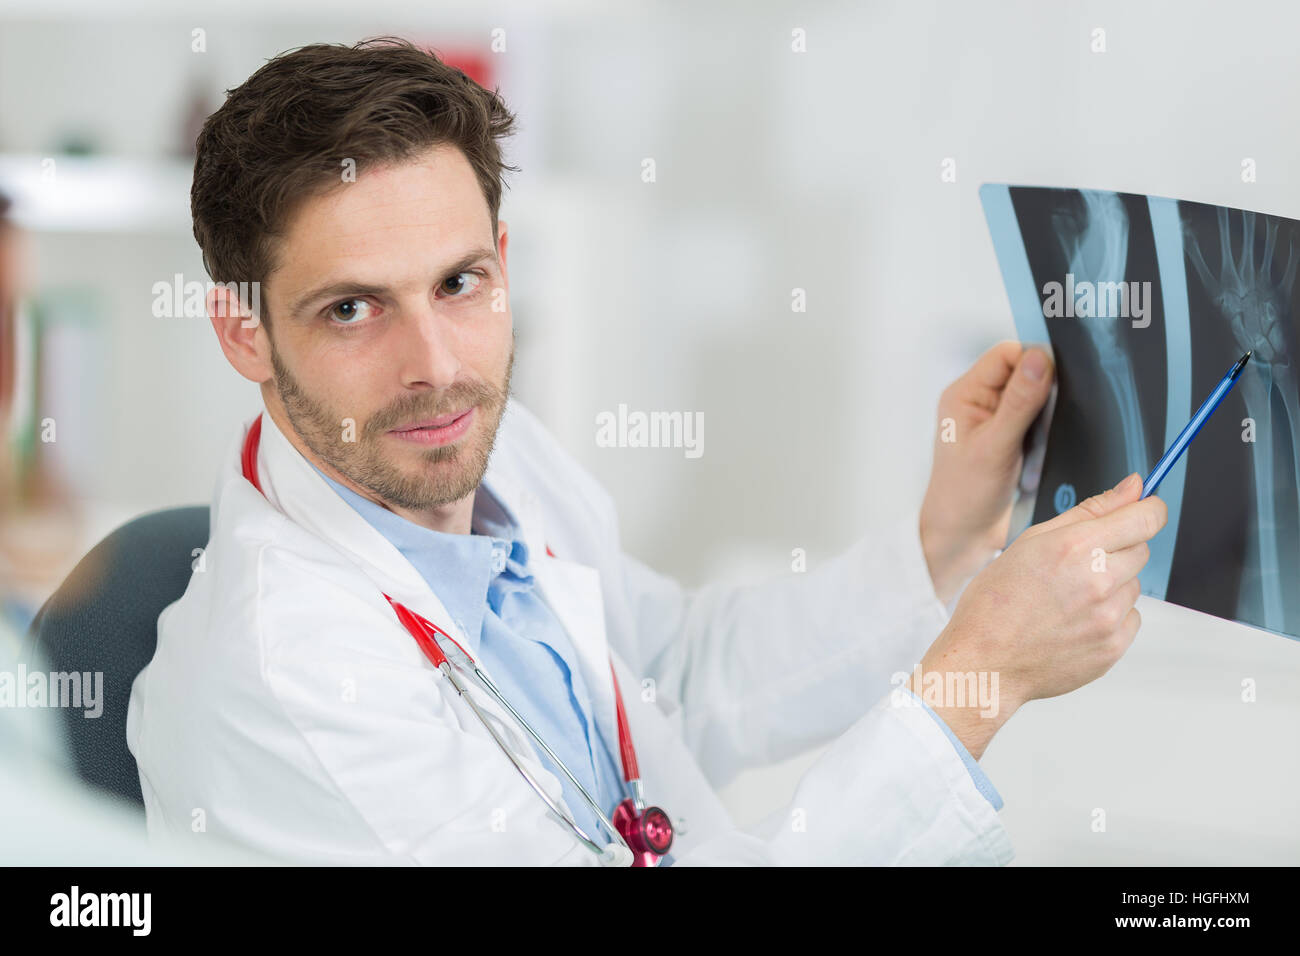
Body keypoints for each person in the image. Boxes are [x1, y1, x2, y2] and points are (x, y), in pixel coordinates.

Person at [126, 38, 1167, 866]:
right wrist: (974, 679)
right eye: (352, 308)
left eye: (459, 282)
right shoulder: (291, 684)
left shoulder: (473, 451)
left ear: (502, 261)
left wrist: (947, 534)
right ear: (242, 331)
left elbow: (674, 671)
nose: (435, 364)